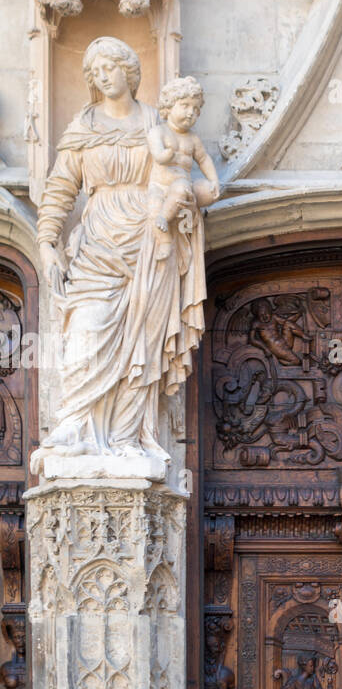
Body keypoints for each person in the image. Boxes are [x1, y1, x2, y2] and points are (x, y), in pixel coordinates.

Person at [31, 36, 217, 473]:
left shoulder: (159, 121)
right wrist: (46, 242)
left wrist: (187, 199)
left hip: (152, 241)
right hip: (97, 243)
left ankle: (126, 438)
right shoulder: (83, 129)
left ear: (130, 72)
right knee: (87, 333)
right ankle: (75, 428)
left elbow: (184, 173)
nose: (102, 75)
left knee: (144, 345)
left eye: (110, 66)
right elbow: (60, 190)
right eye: (94, 71)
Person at [147, 76, 218, 262]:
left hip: (182, 185)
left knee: (198, 190)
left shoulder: (192, 139)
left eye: (196, 109)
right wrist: (166, 155)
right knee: (154, 205)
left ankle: (174, 215)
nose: (190, 113)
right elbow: (157, 154)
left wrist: (214, 181)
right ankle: (165, 239)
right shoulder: (159, 131)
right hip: (160, 184)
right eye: (185, 105)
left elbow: (203, 159)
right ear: (168, 106)